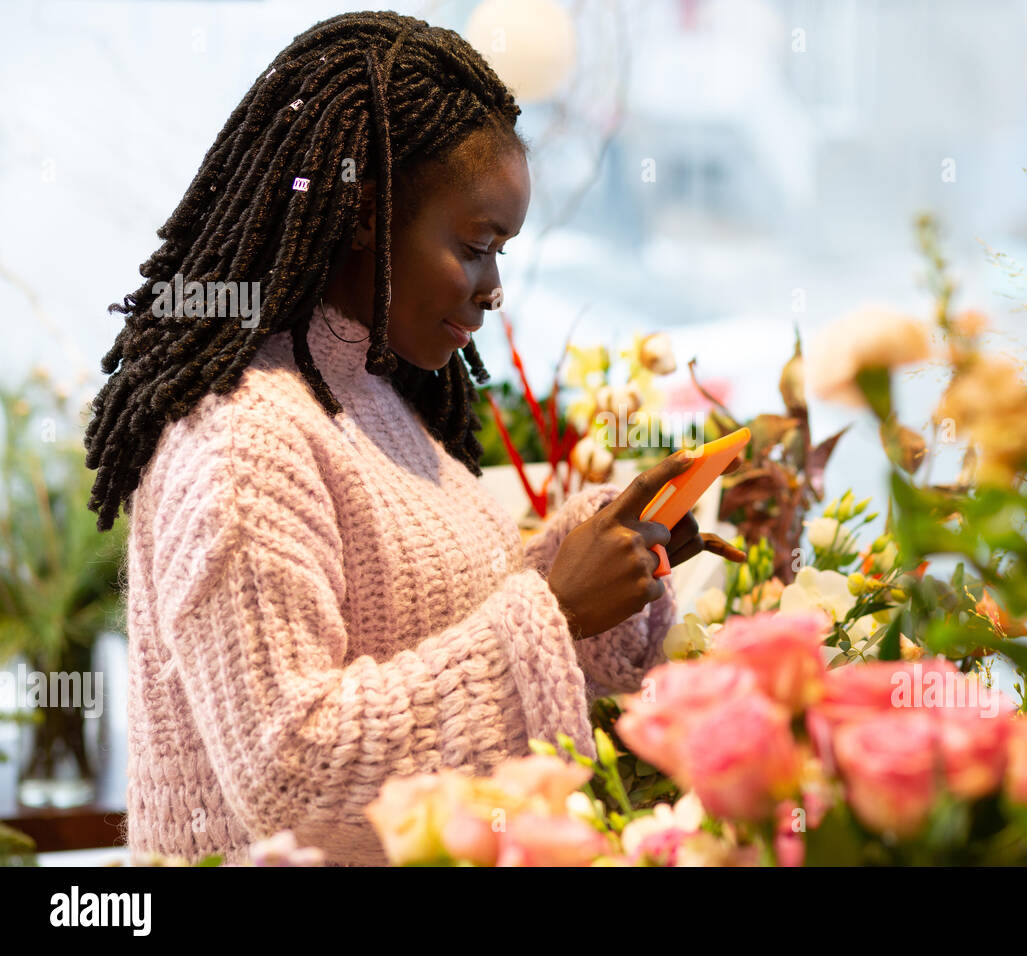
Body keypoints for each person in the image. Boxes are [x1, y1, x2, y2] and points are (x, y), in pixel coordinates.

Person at [84, 12, 744, 866]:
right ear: (363, 212)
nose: (494, 287)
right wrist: (557, 608)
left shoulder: (382, 403)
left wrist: (585, 560)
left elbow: (431, 635)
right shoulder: (244, 438)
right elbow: (292, 774)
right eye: (476, 247)